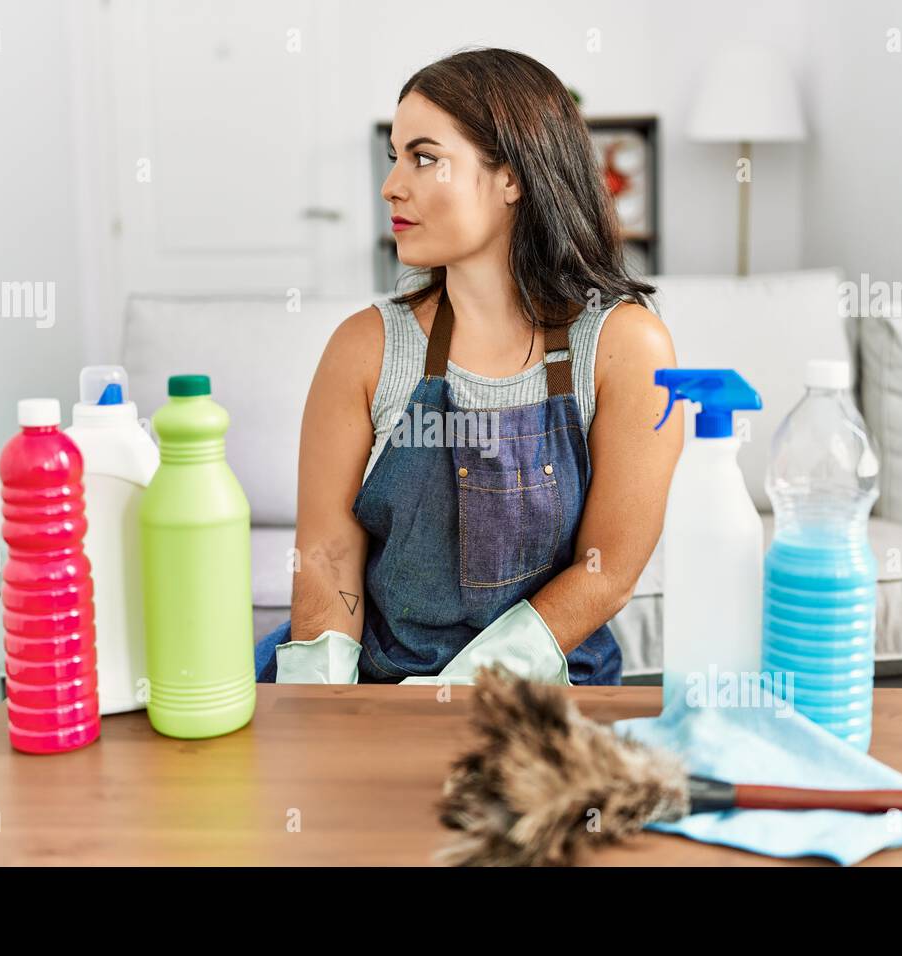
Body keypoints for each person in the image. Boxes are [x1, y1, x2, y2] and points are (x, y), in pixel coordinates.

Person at [256, 47, 683, 685]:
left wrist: (457, 694)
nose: (392, 185)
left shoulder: (626, 346)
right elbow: (326, 554)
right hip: (378, 685)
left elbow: (609, 569)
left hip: (545, 693)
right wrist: (323, 705)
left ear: (512, 177)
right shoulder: (363, 348)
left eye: (425, 158)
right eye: (394, 157)